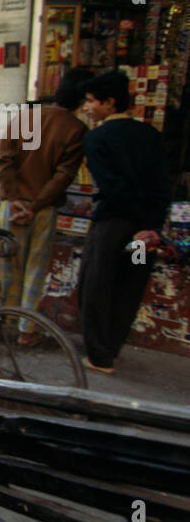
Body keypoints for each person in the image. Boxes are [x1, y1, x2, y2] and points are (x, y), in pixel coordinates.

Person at [75, 70, 172, 374]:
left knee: (97, 284)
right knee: (129, 284)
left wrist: (135, 217)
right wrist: (150, 225)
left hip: (112, 227)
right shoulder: (150, 136)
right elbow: (161, 187)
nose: (87, 108)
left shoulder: (97, 138)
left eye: (91, 102)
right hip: (142, 234)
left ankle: (98, 356)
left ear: (110, 102)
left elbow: (112, 187)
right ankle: (111, 350)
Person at [0, 68, 88, 344]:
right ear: (81, 100)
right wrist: (34, 205)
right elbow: (62, 177)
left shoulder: (26, 117)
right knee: (35, 269)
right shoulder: (76, 129)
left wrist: (16, 199)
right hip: (42, 210)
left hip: (12, 205)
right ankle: (26, 331)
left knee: (3, 266)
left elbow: (3, 160)